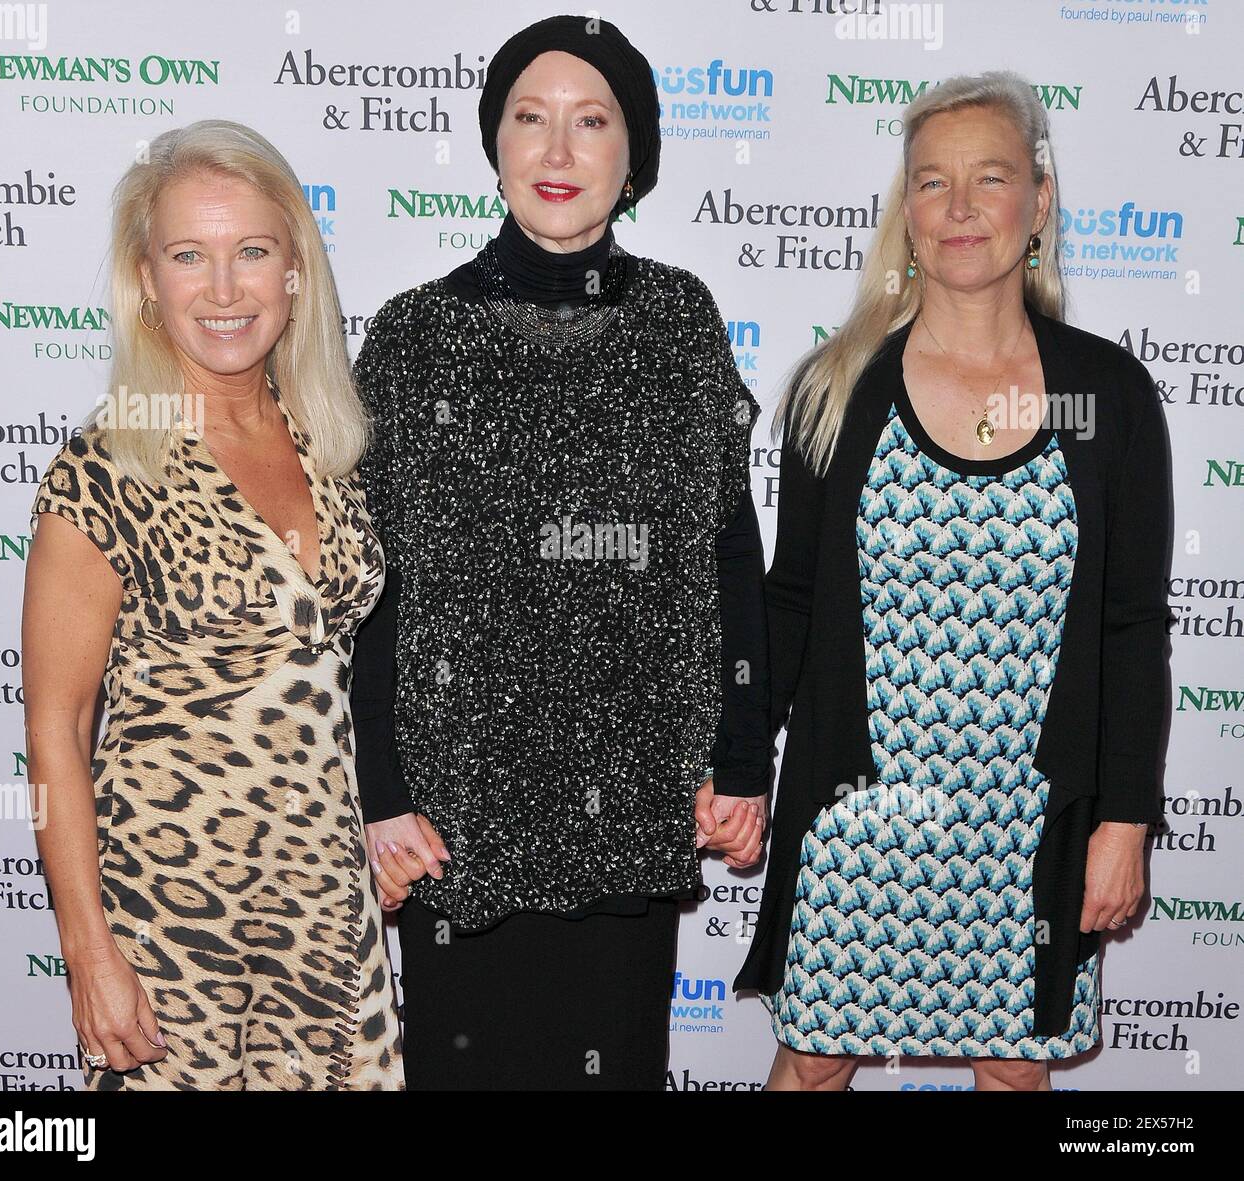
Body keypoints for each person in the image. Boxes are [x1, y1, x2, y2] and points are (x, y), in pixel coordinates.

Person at [351, 15, 771, 1090]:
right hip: (454, 815)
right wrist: (380, 788)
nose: (556, 151)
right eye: (529, 119)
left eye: (591, 123)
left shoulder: (679, 319)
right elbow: (372, 590)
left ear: (634, 160)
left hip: (629, 794)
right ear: (494, 141)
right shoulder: (412, 334)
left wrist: (736, 758)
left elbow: (729, 551)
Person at [733, 71, 1171, 1091]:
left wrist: (1123, 819)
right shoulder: (839, 388)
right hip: (858, 819)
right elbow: (789, 599)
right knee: (809, 1062)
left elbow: (1127, 624)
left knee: (1014, 1071)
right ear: (907, 211)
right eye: (933, 183)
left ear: (1038, 202)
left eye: (990, 178)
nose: (962, 208)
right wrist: (741, 757)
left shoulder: (1101, 397)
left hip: (1029, 826)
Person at [22, 120, 403, 1091]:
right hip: (169, 924)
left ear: (294, 272)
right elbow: (55, 726)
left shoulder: (332, 440)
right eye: (189, 255)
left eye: (251, 252)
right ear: (146, 277)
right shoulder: (107, 465)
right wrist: (89, 953)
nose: (224, 289)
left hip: (324, 915)